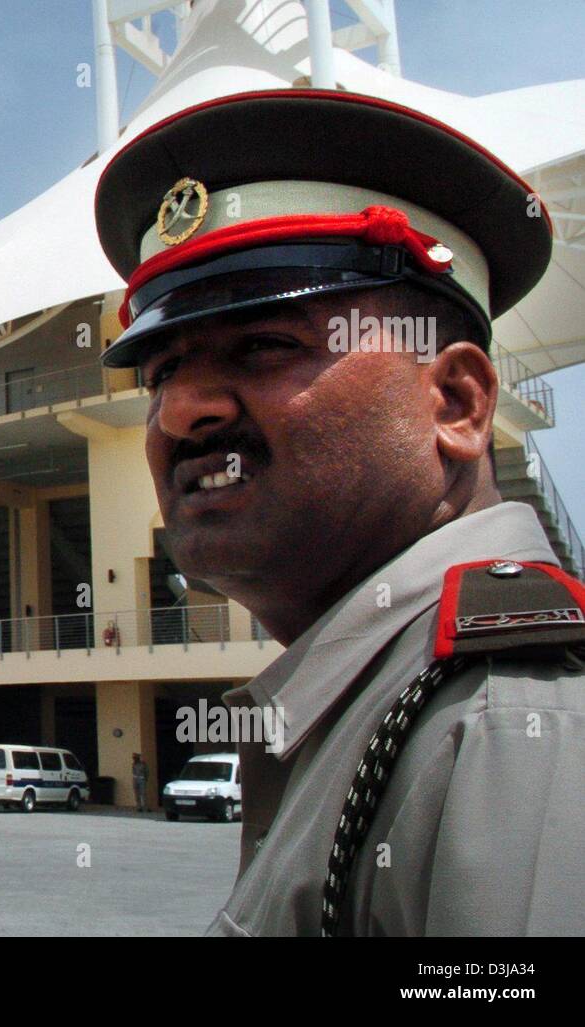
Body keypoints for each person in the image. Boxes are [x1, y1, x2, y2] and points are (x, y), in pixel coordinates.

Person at [93, 89, 585, 936]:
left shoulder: (509, 727)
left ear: (457, 404)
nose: (181, 412)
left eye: (266, 344)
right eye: (162, 371)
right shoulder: (393, 700)